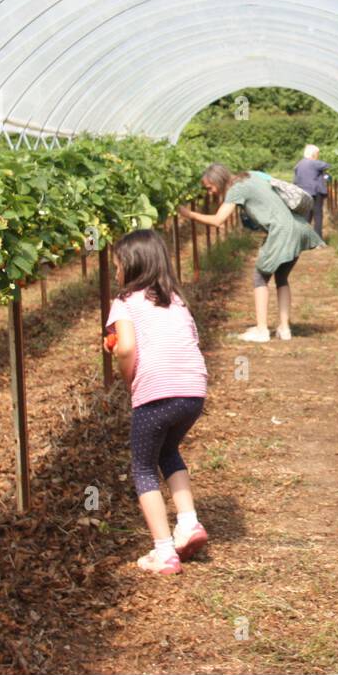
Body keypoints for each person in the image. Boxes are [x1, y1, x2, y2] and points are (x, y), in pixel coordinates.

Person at [105, 229, 210, 575]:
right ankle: (189, 522)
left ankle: (163, 551)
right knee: (169, 451)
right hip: (193, 391)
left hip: (156, 393)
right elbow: (191, 338)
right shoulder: (176, 300)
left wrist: (125, 371)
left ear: (131, 267)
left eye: (117, 265)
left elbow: (126, 348)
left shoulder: (124, 303)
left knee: (143, 467)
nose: (115, 272)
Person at [181, 164, 325, 342]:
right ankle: (284, 328)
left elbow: (219, 220)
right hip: (298, 226)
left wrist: (188, 214)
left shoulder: (235, 189)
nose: (210, 192)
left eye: (210, 188)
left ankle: (262, 330)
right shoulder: (251, 176)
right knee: (281, 277)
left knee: (260, 276)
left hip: (282, 231)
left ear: (218, 181)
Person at [293, 144, 331, 238]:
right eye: (317, 154)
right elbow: (328, 166)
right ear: (313, 154)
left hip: (303, 192)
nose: (318, 156)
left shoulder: (299, 164)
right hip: (315, 192)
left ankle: (304, 238)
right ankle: (318, 239)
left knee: (306, 216)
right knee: (317, 215)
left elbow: (295, 180)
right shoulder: (314, 163)